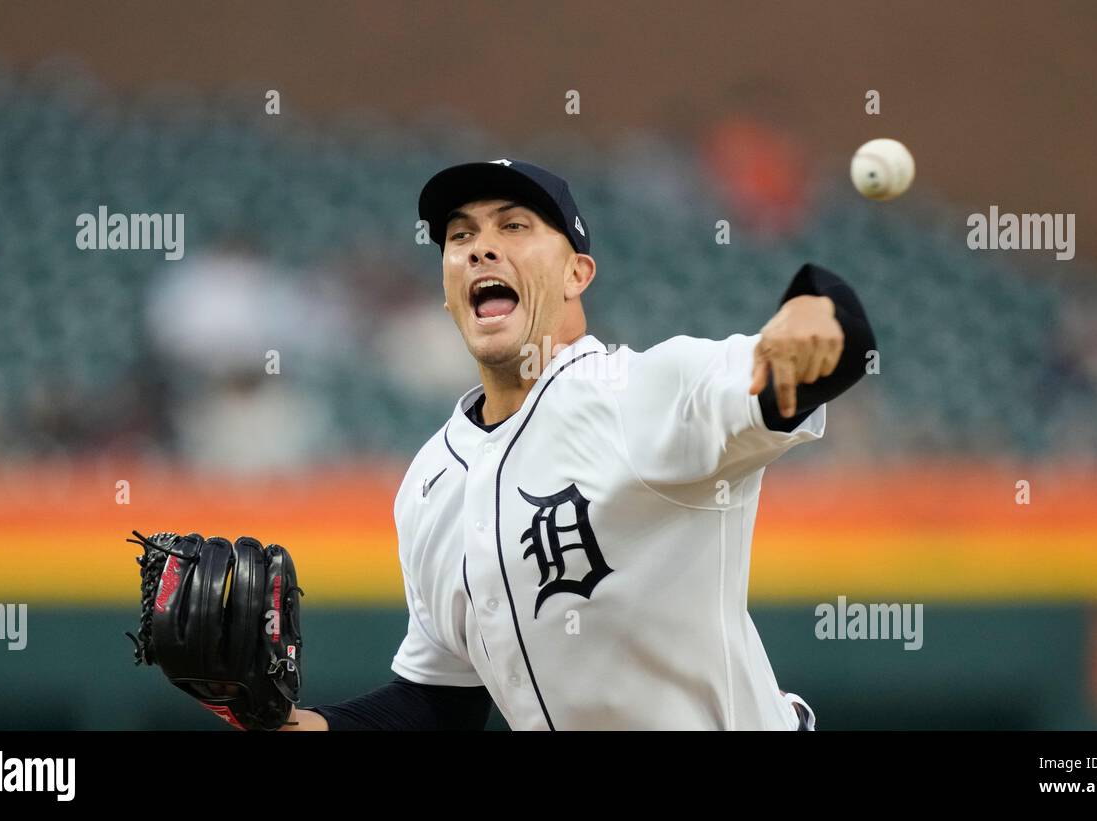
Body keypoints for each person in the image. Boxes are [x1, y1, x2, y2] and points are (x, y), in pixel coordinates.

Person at [283, 159, 874, 730]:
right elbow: (440, 703)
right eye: (460, 235)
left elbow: (821, 357)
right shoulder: (428, 483)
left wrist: (816, 305)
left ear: (576, 274)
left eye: (514, 226)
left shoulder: (643, 391)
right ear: (446, 289)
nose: (481, 247)